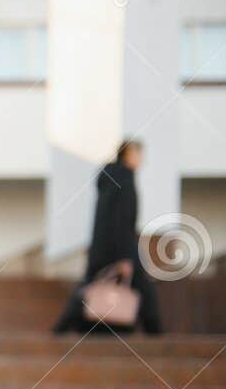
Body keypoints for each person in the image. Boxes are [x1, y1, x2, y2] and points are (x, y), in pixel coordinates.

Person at [52, 138, 164, 334]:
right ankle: (160, 343)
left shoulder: (109, 178)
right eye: (139, 155)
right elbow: (122, 220)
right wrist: (125, 257)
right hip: (120, 249)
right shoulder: (125, 179)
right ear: (128, 153)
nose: (141, 160)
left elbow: (106, 219)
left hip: (101, 249)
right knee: (145, 293)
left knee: (89, 288)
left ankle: (61, 330)